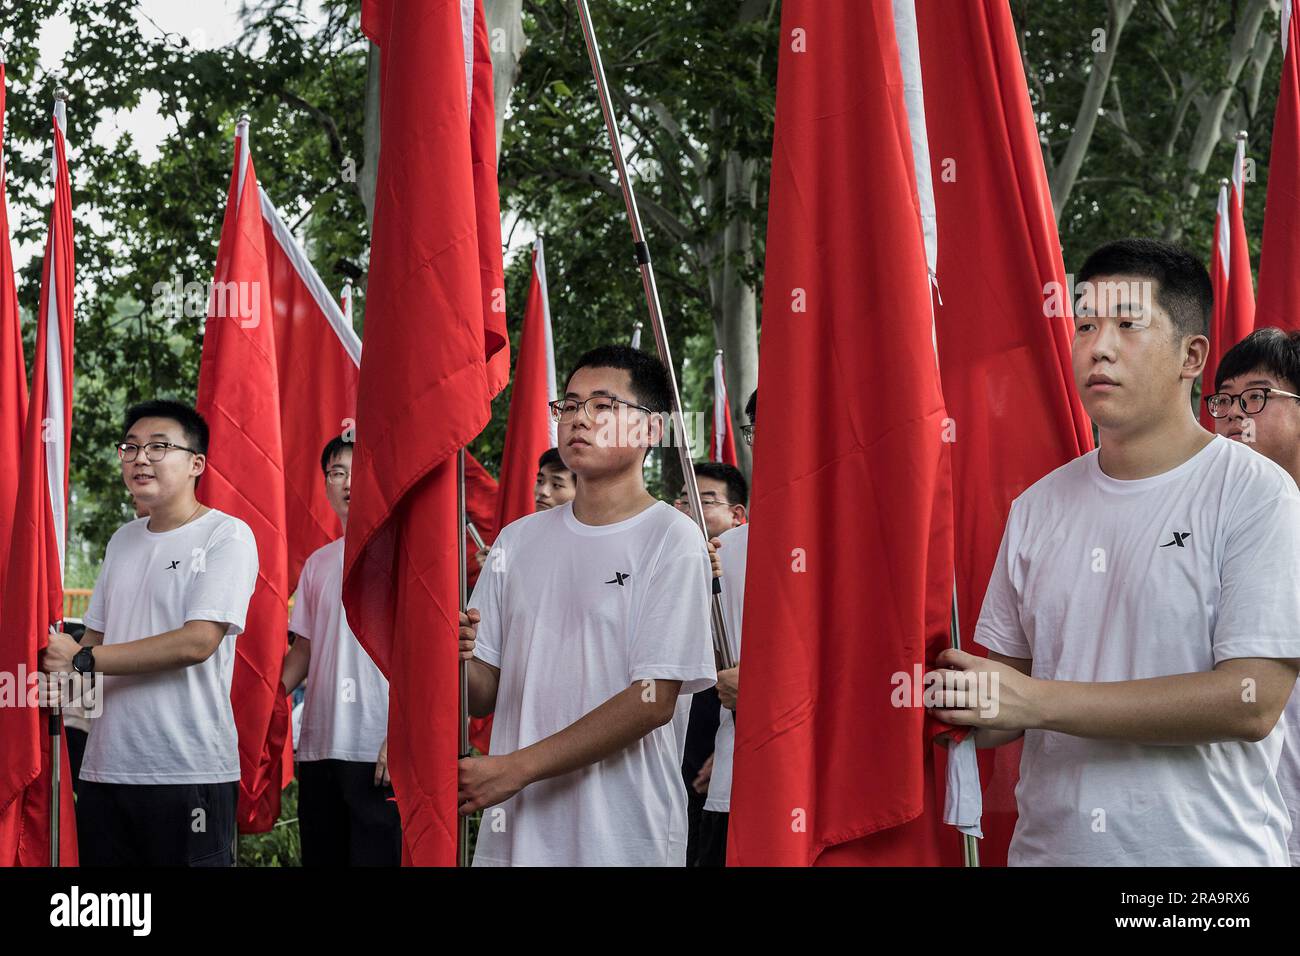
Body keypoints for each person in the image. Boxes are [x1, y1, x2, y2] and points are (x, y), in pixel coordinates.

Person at [929, 238, 1300, 865]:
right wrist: (958, 703)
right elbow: (1011, 700)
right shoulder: (1037, 507)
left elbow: (1252, 700)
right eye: (1084, 326)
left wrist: (1038, 700)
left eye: (1128, 325)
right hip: (1050, 852)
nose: (1098, 347)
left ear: (1192, 355)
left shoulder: (1256, 494)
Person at [458, 344, 716, 866]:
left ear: (650, 430)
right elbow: (481, 692)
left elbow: (652, 699)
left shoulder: (672, 537)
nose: (580, 418)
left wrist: (515, 768)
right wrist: (453, 654)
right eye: (570, 405)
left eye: (602, 405)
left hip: (621, 834)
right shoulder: (515, 540)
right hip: (516, 832)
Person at [40, 400, 258, 866]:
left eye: (159, 447)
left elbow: (197, 641)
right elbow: (94, 644)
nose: (140, 458)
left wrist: (82, 660)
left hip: (187, 769)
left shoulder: (226, 535)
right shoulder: (122, 540)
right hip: (105, 768)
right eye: (131, 447)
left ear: (196, 463)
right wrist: (56, 663)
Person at [279, 435, 401, 866]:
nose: (348, 482)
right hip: (319, 747)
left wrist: (402, 736)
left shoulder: (405, 553)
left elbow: (427, 658)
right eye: (336, 472)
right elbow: (304, 650)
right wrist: (269, 696)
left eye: (358, 470)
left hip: (379, 750)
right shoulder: (318, 563)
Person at [1206, 326, 1300, 866]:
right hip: (1243, 829)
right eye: (1224, 400)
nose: (1235, 414)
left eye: (1257, 397)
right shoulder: (1206, 526)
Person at [672, 459, 748, 865]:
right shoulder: (668, 563)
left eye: (705, 500)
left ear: (737, 515)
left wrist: (730, 748)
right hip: (673, 743)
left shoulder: (756, 565)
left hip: (723, 741)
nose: (691, 510)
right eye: (684, 500)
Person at [697, 389, 756, 866]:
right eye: (759, 431)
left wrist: (764, 689)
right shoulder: (722, 554)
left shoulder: (866, 535)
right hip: (737, 789)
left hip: (838, 788)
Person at [474, 447, 576, 568]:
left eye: (556, 485)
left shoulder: (590, 542)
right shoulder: (515, 537)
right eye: (540, 481)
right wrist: (495, 571)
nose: (543, 491)